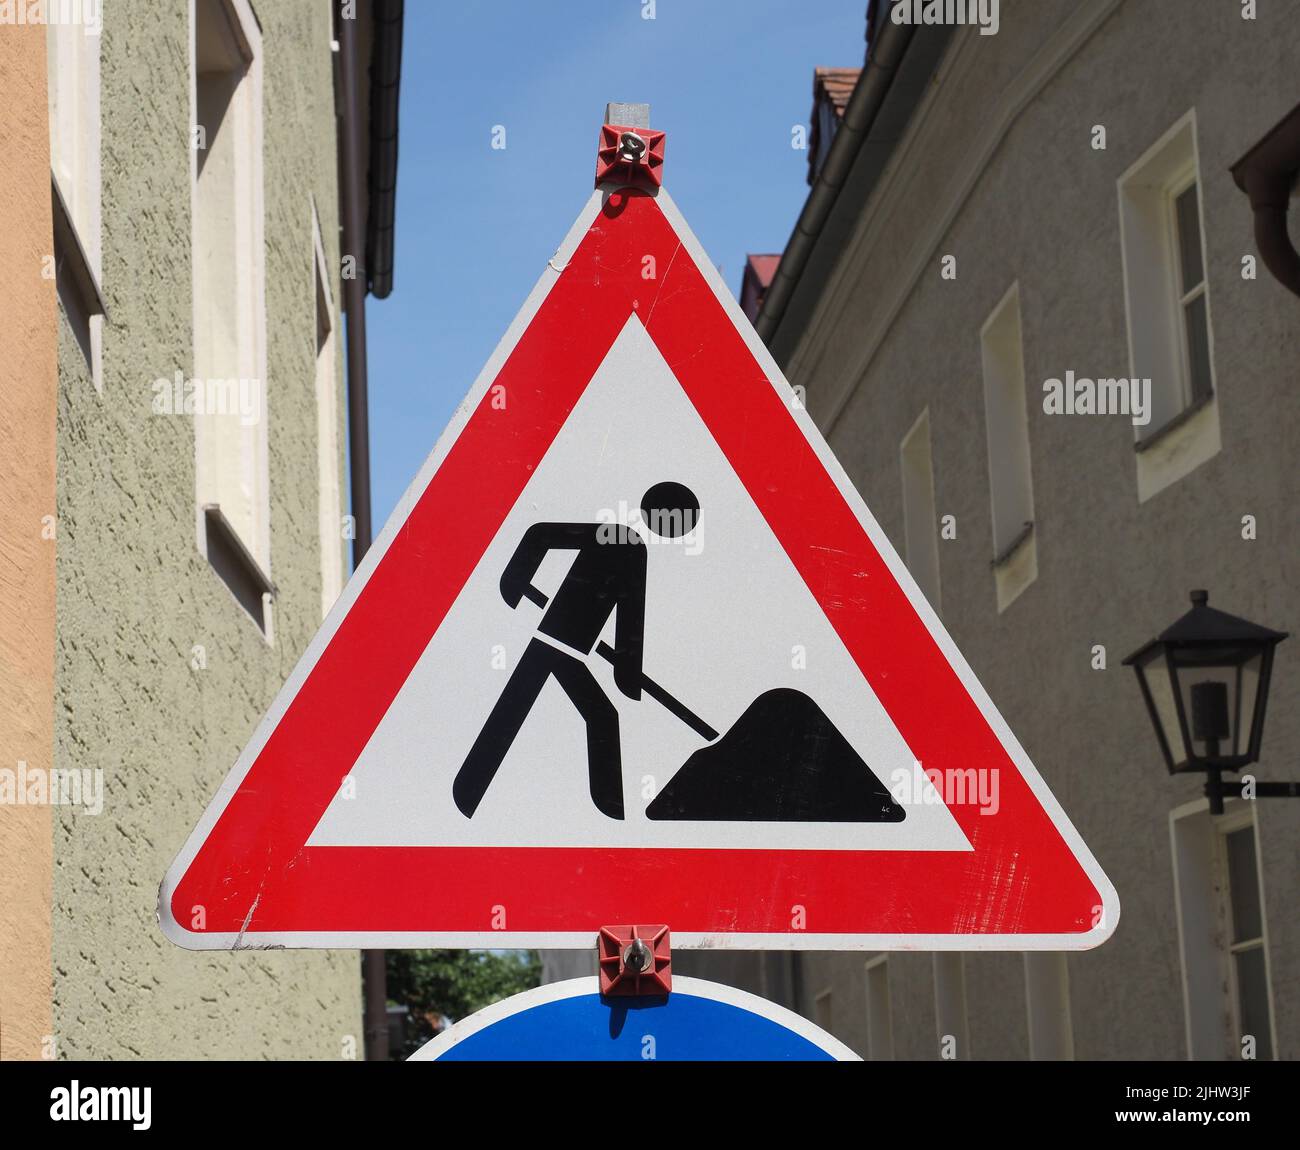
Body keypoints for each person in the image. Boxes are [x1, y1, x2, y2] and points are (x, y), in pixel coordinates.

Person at [453, 482, 698, 820]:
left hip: (566, 648)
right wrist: (514, 582)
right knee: (587, 714)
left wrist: (626, 672)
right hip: (555, 642)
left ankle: (467, 793)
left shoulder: (630, 546)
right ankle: (612, 814)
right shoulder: (620, 540)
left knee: (526, 707)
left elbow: (629, 624)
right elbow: (541, 535)